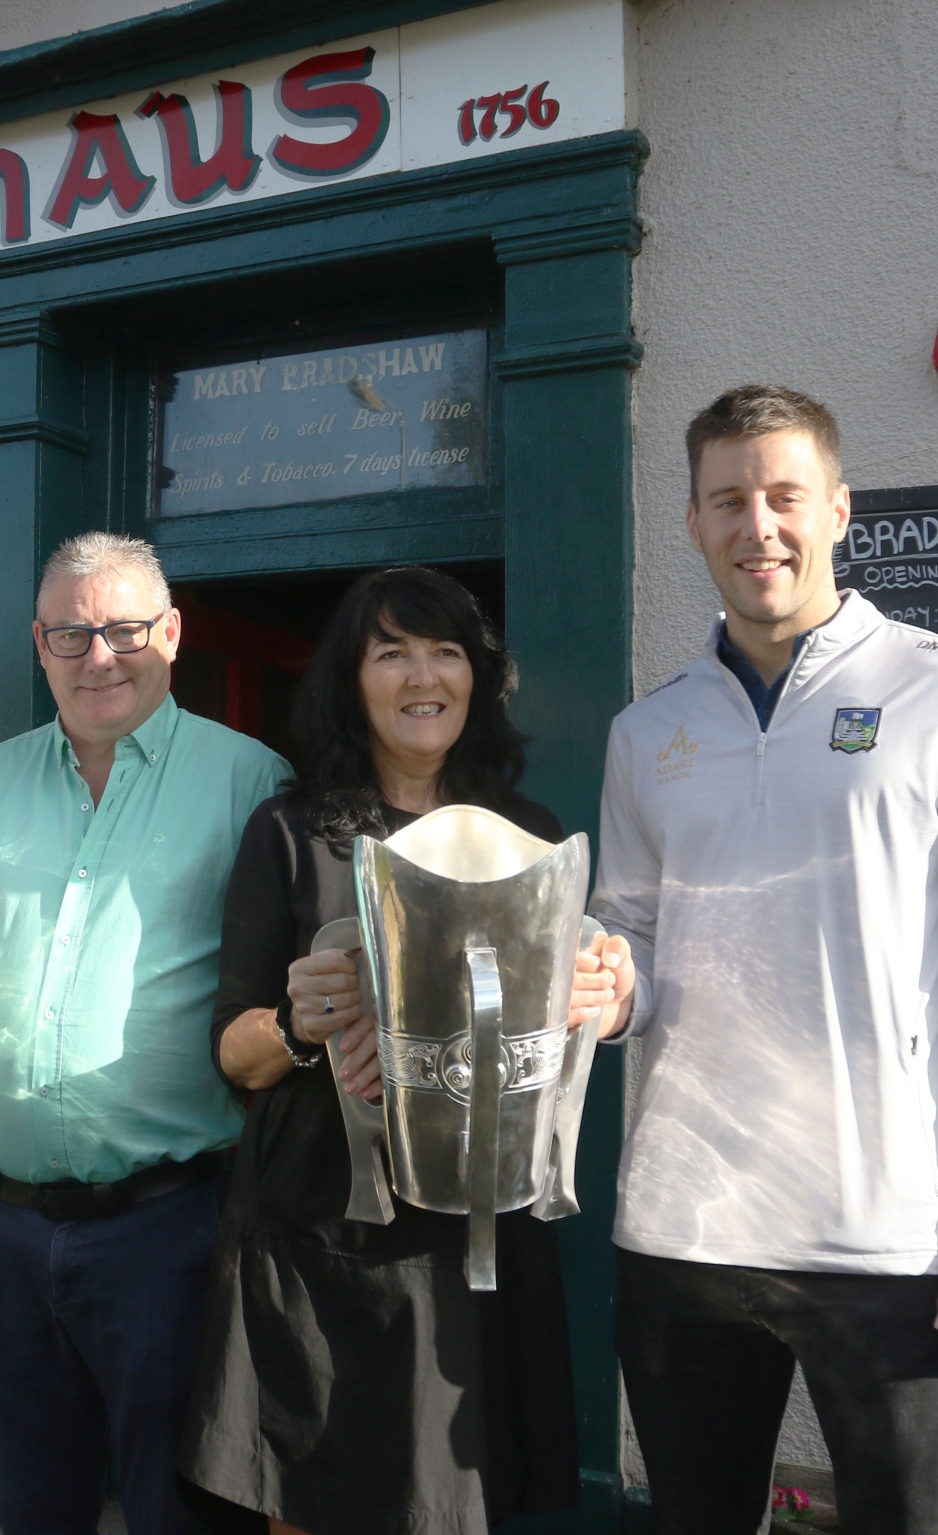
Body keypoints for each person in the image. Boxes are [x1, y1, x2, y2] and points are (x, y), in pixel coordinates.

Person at [592, 385, 938, 1533]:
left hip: (893, 1239)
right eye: (728, 499)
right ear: (693, 522)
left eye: (783, 495)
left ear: (839, 508)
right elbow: (635, 947)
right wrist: (611, 986)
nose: (757, 525)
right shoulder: (644, 731)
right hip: (680, 1235)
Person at [178, 566, 632, 1535]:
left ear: (477, 678)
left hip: (476, 1231)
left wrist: (591, 996)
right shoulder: (293, 833)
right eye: (391, 651)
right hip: (316, 1230)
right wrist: (297, 1023)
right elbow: (233, 1052)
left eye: (446, 650)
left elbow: (553, 1041)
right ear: (352, 679)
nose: (422, 674)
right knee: (308, 1496)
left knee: (451, 1498)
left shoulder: (533, 837)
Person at [0, 532, 287, 1535]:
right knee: (32, 1506)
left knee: (181, 1509)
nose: (100, 654)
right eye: (71, 632)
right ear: (38, 644)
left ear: (171, 633)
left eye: (125, 628)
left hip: (170, 1232)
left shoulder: (252, 782)